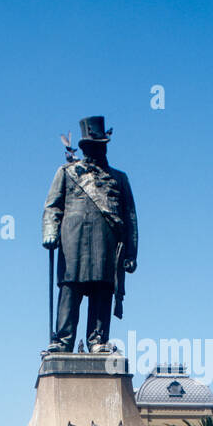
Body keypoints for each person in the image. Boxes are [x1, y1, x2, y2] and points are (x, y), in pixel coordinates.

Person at [42, 116, 138, 353]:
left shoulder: (119, 178)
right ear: (84, 148)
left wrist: (131, 252)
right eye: (91, 147)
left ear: (105, 147)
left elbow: (130, 218)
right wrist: (50, 231)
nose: (96, 150)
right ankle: (63, 341)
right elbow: (53, 206)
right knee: (70, 290)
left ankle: (97, 341)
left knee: (102, 290)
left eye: (100, 146)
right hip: (73, 242)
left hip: (106, 244)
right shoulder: (67, 172)